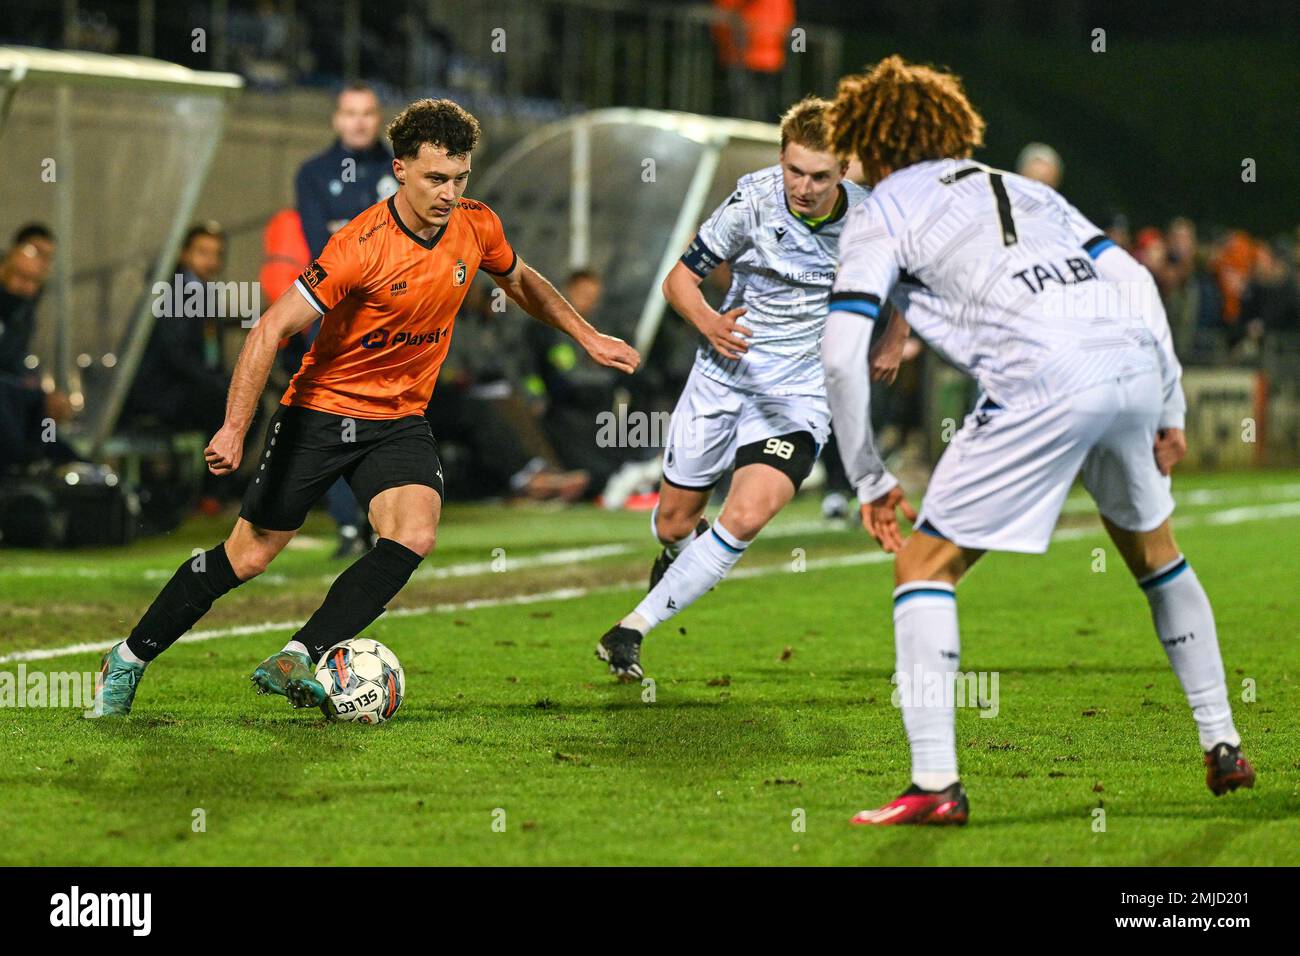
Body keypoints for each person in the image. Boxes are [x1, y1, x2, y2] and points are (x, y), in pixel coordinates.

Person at [91, 98, 639, 718]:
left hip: (399, 419)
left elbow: (521, 280)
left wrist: (586, 335)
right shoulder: (359, 246)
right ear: (401, 169)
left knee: (414, 533)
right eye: (436, 178)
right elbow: (269, 329)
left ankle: (303, 651)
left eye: (460, 178)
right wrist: (234, 427)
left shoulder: (475, 224)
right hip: (320, 412)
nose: (449, 193)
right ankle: (128, 658)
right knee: (247, 556)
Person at [821, 56, 1254, 825]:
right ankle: (1222, 740)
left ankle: (934, 785)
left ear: (873, 142)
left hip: (1043, 376)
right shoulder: (1021, 186)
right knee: (1155, 553)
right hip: (1125, 357)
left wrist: (866, 475)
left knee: (923, 565)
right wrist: (1169, 401)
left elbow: (838, 349)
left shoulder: (883, 207)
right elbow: (1137, 281)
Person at [592, 96, 868, 680]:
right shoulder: (753, 199)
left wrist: (891, 343)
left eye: (820, 175)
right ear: (782, 159)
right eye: (795, 170)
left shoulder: (872, 221)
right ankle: (674, 556)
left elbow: (905, 287)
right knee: (672, 524)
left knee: (744, 516)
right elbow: (679, 281)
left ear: (845, 170)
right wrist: (711, 323)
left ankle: (630, 629)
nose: (804, 186)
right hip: (724, 377)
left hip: (798, 396)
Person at [294, 82, 400, 558]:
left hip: (397, 315)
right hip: (334, 315)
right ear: (337, 119)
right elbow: (324, 243)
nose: (358, 121)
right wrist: (371, 230)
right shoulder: (312, 173)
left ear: (379, 119)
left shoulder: (401, 167)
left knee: (395, 421)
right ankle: (347, 526)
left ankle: (388, 524)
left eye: (367, 113)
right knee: (330, 422)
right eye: (349, 113)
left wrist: (352, 229)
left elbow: (415, 235)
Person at [123, 223, 231, 438]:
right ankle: (216, 471)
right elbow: (175, 352)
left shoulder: (204, 292)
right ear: (183, 253)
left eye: (217, 254)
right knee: (226, 405)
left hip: (188, 387)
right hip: (164, 391)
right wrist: (215, 383)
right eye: (203, 252)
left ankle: (218, 471)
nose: (211, 261)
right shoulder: (173, 291)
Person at [0, 224, 78, 470]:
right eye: (37, 253)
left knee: (53, 435)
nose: (42, 263)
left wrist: (40, 391)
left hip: (12, 392)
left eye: (48, 258)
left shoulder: (25, 305)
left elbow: (16, 358)